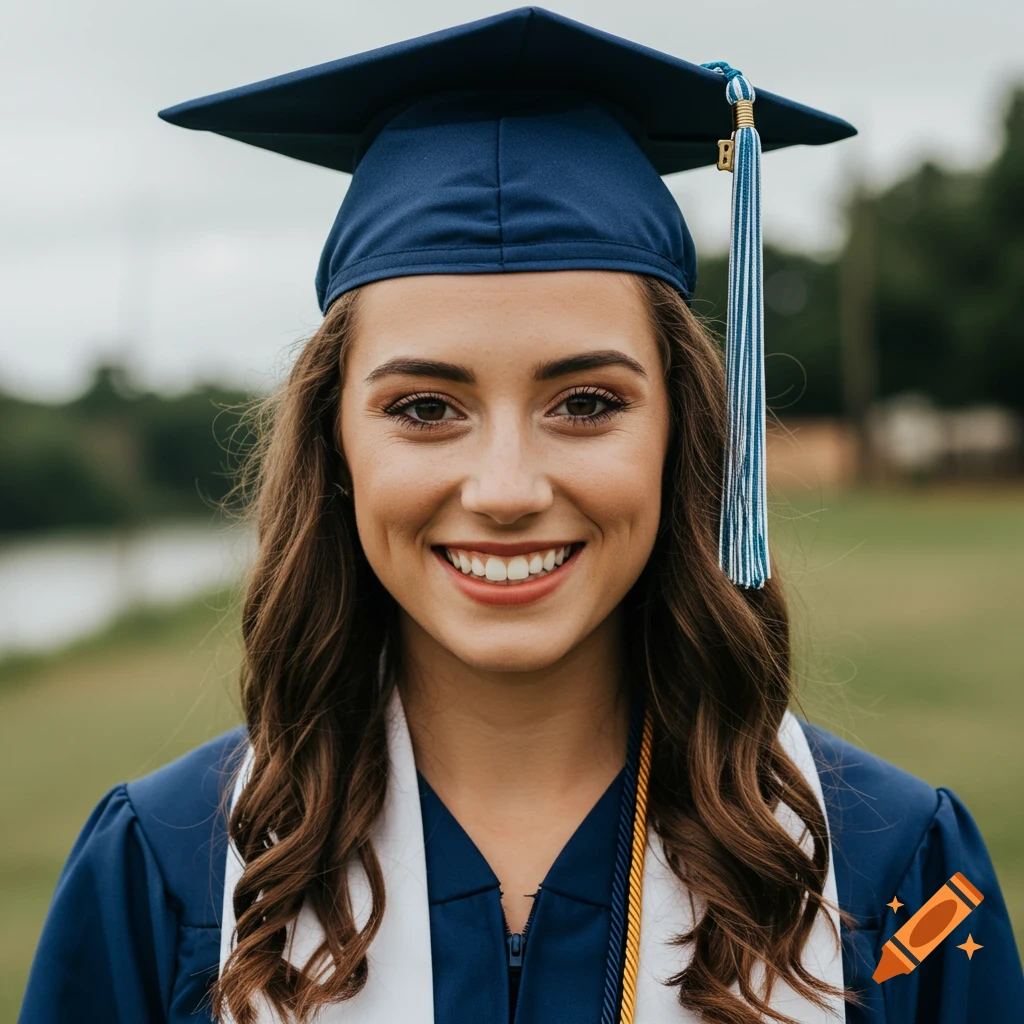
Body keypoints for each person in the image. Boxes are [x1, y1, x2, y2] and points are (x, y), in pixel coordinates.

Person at [18, 8, 1023, 1024]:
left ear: (683, 433)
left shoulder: (894, 876)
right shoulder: (170, 878)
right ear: (336, 446)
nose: (505, 489)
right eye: (424, 408)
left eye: (586, 402)